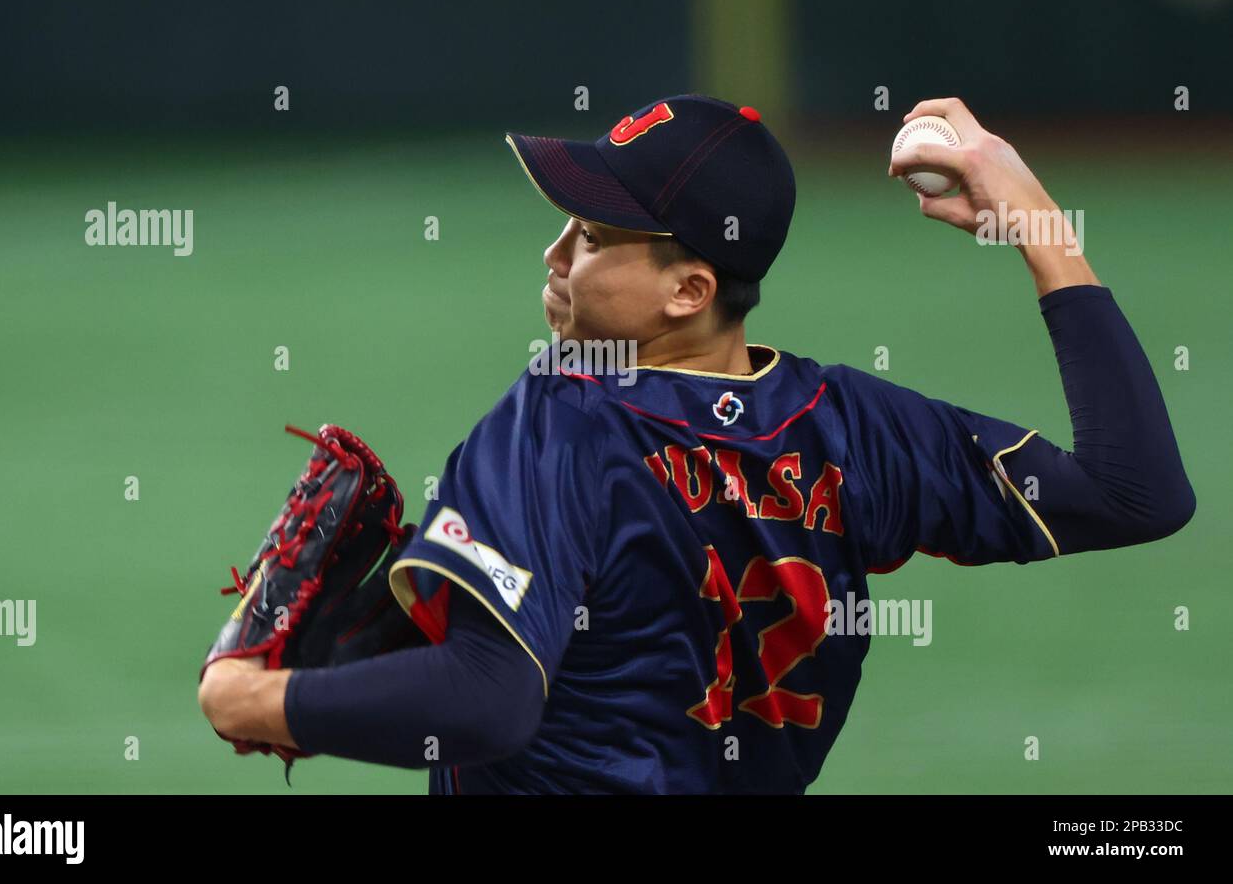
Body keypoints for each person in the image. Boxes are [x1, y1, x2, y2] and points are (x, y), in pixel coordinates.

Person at [199, 94, 1195, 793]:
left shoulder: (560, 417)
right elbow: (1134, 490)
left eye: (589, 236)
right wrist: (1034, 221)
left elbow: (487, 701)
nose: (553, 257)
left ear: (689, 289)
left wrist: (261, 698)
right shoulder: (856, 428)